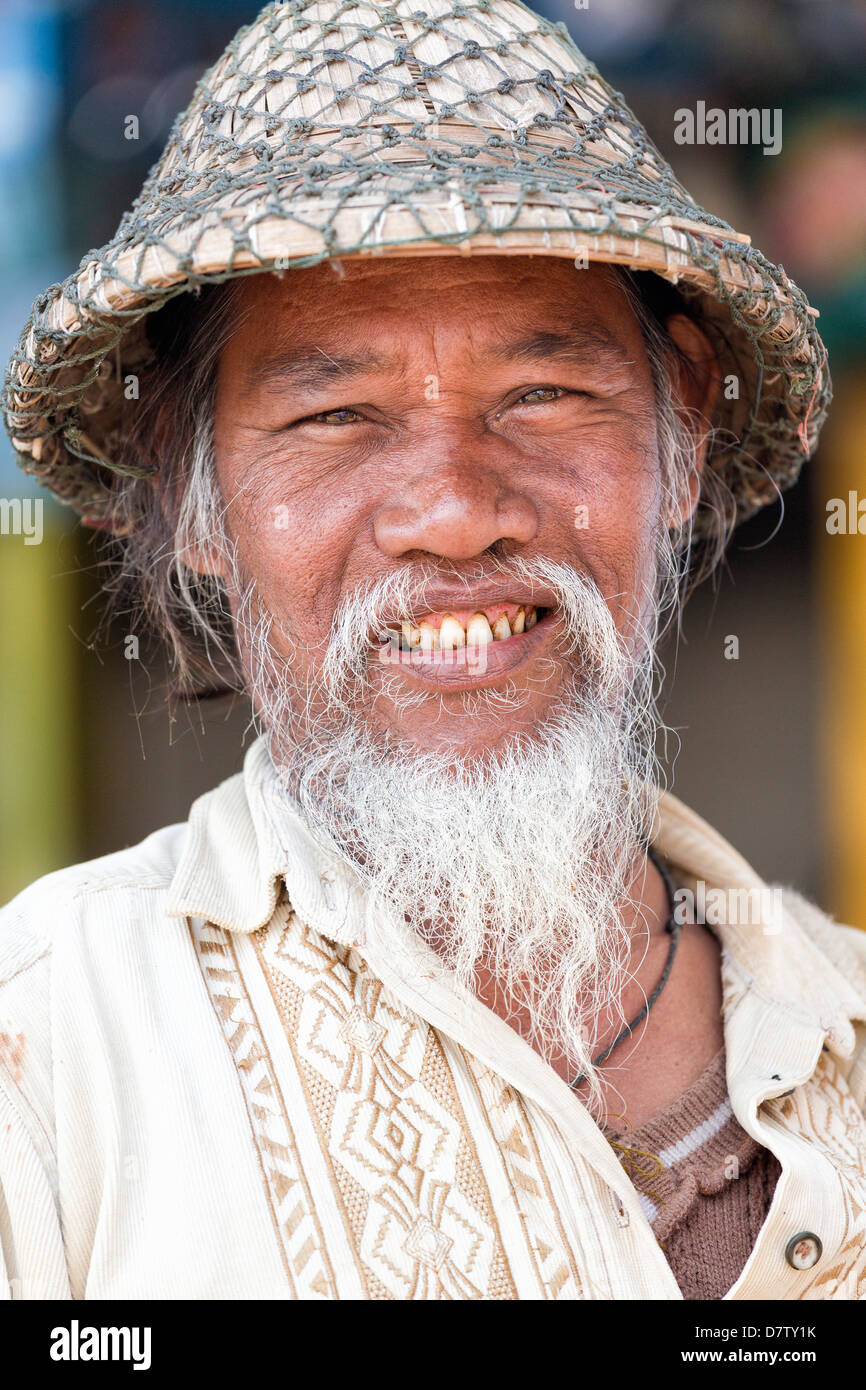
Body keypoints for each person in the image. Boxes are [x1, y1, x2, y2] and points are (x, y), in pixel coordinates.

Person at [2, 0, 865, 1302]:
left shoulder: (843, 1012)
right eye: (333, 414)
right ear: (196, 502)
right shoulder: (50, 1058)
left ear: (677, 439)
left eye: (542, 395)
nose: (456, 508)